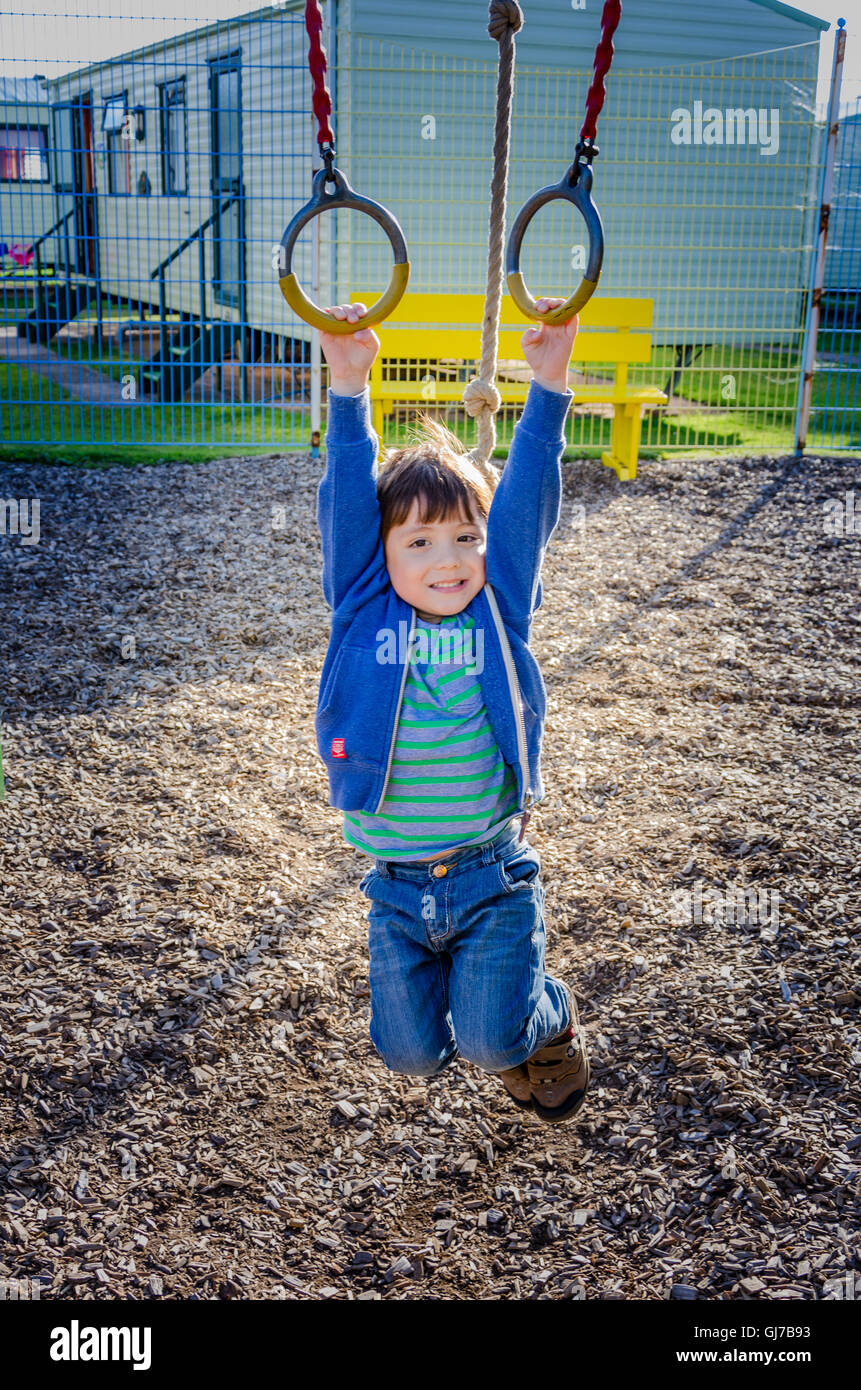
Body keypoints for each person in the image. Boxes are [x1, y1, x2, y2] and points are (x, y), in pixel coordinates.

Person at [315, 298, 589, 1124]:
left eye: (464, 538)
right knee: (410, 1056)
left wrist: (548, 384)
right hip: (394, 889)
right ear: (384, 554)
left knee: (491, 1043)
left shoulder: (495, 610)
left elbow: (527, 501)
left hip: (488, 873)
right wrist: (347, 386)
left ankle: (546, 1015)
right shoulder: (363, 607)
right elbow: (348, 507)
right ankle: (493, 1011)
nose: (449, 560)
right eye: (420, 542)